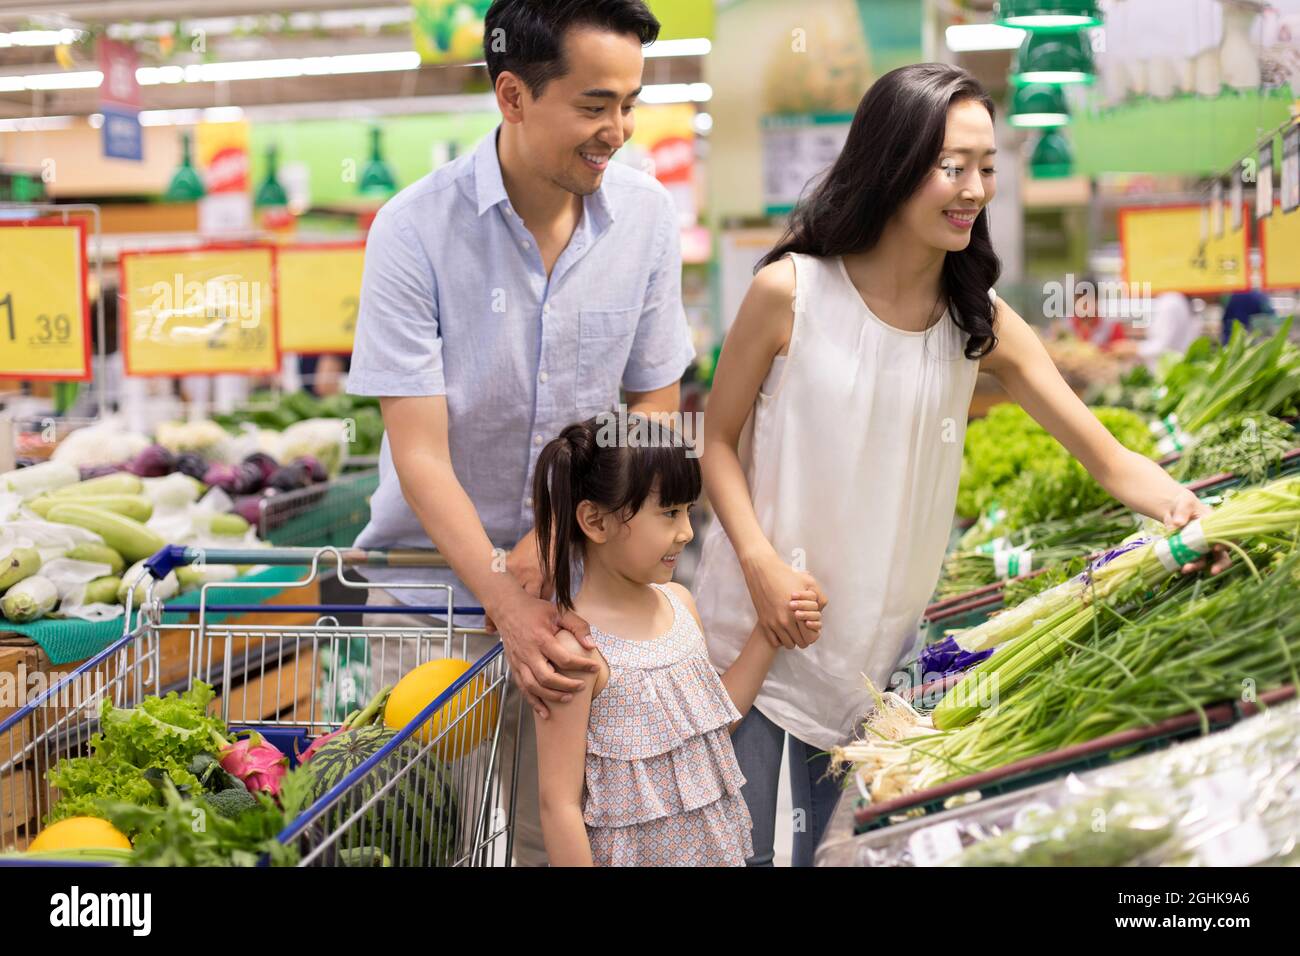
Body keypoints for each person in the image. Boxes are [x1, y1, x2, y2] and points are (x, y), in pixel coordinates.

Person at [694, 63, 1229, 868]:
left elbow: (1109, 459)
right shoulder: (790, 292)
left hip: (880, 668)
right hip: (760, 646)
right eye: (953, 165)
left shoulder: (979, 322)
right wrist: (761, 563)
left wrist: (1192, 515)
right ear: (893, 162)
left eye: (986, 167)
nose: (974, 188)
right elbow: (716, 441)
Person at [344, 0, 695, 867]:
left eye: (630, 105)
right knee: (419, 844)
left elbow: (652, 409)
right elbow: (419, 452)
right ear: (512, 95)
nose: (616, 130)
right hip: (430, 602)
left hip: (576, 596)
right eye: (593, 105)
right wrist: (505, 597)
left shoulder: (645, 220)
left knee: (560, 840)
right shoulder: (413, 232)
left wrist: (552, 539)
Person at [529, 415, 823, 866]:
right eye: (669, 513)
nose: (686, 531)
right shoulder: (576, 654)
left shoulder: (680, 604)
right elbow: (559, 804)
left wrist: (770, 632)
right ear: (595, 521)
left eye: (688, 510)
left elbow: (713, 726)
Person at [1138, 291, 1202, 372]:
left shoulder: (1170, 302)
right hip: (1178, 368)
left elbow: (1164, 346)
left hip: (1170, 370)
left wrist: (1136, 349)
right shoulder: (1176, 300)